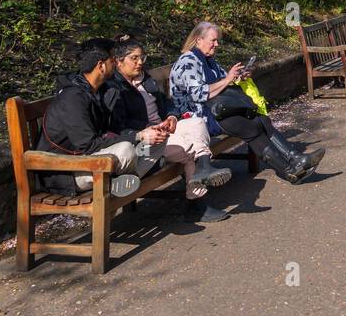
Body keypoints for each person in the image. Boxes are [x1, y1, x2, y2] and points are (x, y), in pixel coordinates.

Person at [169, 22, 324, 184]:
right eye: (213, 40)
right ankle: (288, 170)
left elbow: (224, 81)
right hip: (198, 117)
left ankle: (296, 159)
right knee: (250, 126)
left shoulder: (208, 59)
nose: (217, 44)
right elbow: (198, 94)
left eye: (217, 40)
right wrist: (228, 79)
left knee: (261, 119)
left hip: (216, 109)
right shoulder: (188, 62)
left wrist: (238, 77)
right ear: (199, 40)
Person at [106, 36, 234, 223]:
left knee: (196, 122)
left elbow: (168, 103)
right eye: (134, 58)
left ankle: (204, 167)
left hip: (165, 129)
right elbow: (119, 124)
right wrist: (148, 130)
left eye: (142, 58)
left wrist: (172, 116)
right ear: (118, 62)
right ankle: (196, 204)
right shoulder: (115, 88)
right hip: (146, 141)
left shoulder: (146, 80)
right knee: (190, 152)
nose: (140, 62)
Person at [36, 41, 165, 197]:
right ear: (101, 66)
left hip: (96, 159)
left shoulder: (102, 91)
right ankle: (119, 184)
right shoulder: (72, 98)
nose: (116, 64)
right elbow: (87, 145)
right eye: (113, 60)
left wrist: (145, 132)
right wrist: (137, 136)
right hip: (66, 170)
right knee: (126, 150)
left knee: (157, 140)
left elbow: (115, 128)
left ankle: (124, 183)